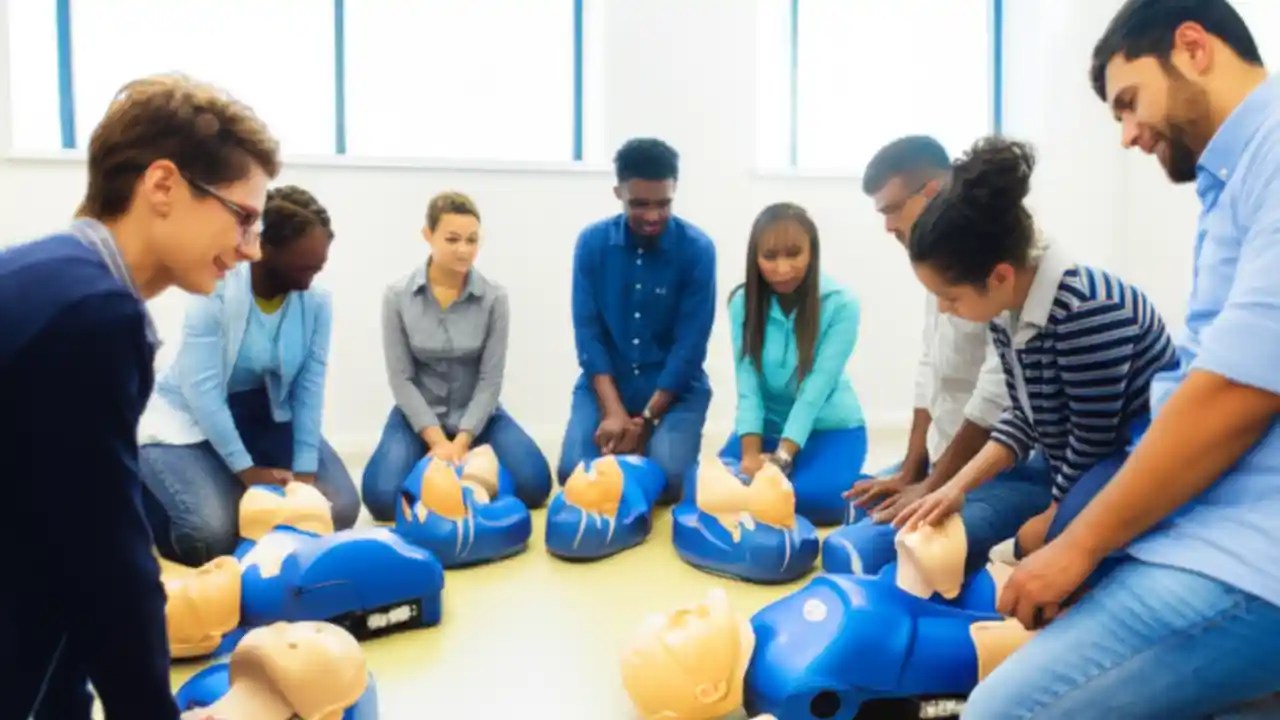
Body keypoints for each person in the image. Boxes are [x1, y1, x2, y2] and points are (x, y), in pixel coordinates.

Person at [965, 2, 1280, 716]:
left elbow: (1235, 393)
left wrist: (1082, 545)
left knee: (998, 710)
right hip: (1200, 517)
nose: (1130, 136)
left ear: (1193, 47)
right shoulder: (1232, 182)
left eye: (1129, 104)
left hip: (1250, 550)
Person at [0, 73, 280, 719]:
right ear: (162, 185)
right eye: (242, 216)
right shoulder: (95, 315)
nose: (251, 248)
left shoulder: (45, 274)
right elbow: (104, 564)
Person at [890, 136, 1176, 565]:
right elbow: (1023, 415)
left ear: (999, 276)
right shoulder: (1009, 310)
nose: (946, 311)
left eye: (950, 297)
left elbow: (1091, 444)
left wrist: (1050, 520)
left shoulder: (1088, 313)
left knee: (1029, 545)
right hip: (1082, 459)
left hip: (1138, 459)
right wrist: (951, 487)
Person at [838, 136, 1053, 573]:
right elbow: (930, 368)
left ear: (932, 190)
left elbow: (997, 399)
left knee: (876, 554)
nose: (887, 226)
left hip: (1010, 472)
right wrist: (912, 469)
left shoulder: (1010, 268)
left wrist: (939, 485)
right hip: (949, 462)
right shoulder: (939, 252)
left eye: (892, 209)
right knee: (855, 518)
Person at [137, 185, 360, 568]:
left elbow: (309, 388)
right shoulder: (216, 289)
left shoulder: (316, 301)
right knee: (207, 536)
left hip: (262, 413)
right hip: (192, 417)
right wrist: (249, 473)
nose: (316, 271)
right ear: (266, 249)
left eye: (320, 263)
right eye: (305, 264)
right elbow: (202, 391)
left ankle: (238, 500)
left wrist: (304, 477)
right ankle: (151, 484)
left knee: (338, 508)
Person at [362, 191, 552, 519]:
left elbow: (490, 380)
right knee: (380, 499)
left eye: (472, 240)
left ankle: (464, 472)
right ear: (428, 235)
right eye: (452, 239)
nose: (464, 250)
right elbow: (401, 379)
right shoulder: (397, 297)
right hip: (418, 420)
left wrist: (462, 441)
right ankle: (445, 470)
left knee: (535, 486)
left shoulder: (495, 298)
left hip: (479, 419)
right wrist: (437, 441)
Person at [557, 138, 716, 503]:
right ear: (618, 192)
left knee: (669, 481)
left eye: (663, 203)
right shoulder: (592, 243)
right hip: (608, 386)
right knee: (573, 475)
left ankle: (646, 450)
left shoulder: (698, 250)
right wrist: (613, 412)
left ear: (675, 191)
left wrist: (643, 420)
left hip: (674, 392)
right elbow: (588, 334)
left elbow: (689, 349)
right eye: (639, 204)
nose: (652, 215)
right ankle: (630, 454)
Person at [717, 202, 867, 526]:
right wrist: (749, 456)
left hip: (830, 428)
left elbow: (816, 388)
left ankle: (863, 481)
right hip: (768, 429)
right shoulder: (742, 302)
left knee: (815, 500)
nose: (782, 268)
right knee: (709, 486)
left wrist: (781, 459)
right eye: (770, 256)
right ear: (755, 258)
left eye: (793, 254)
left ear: (811, 252)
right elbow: (747, 386)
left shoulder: (842, 304)